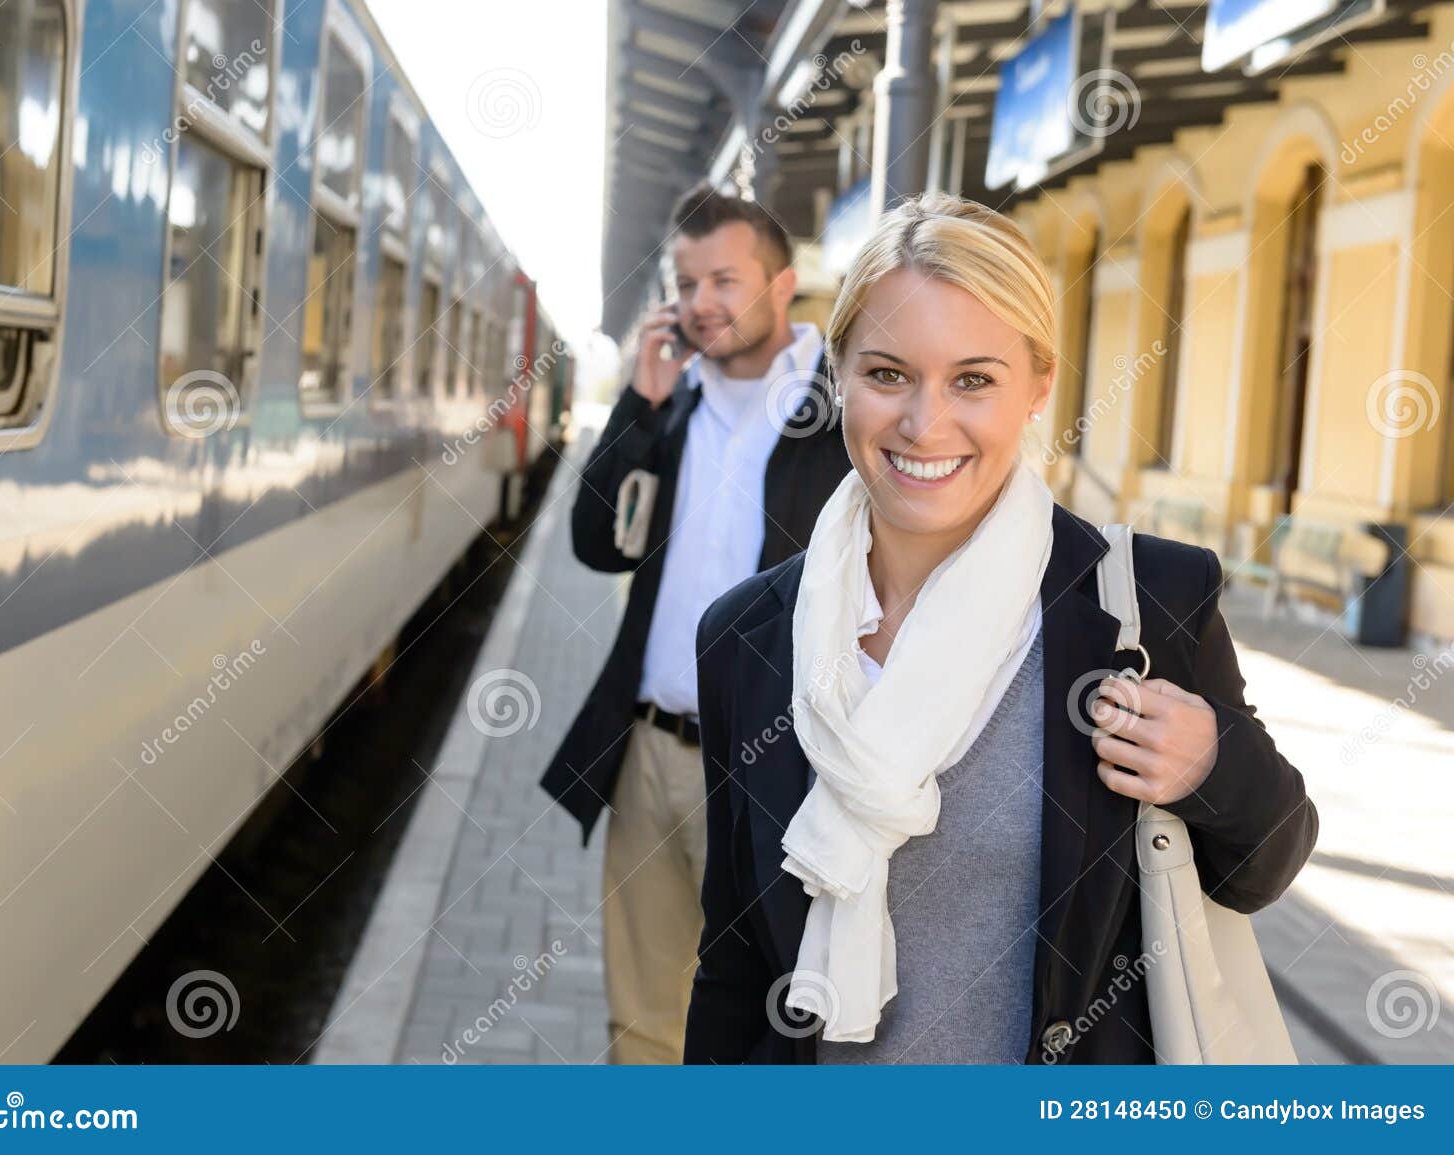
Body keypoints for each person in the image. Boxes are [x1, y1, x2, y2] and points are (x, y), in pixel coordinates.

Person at [683, 192, 1319, 1064]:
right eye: (887, 373)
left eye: (973, 379)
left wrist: (1211, 762)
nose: (924, 423)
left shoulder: (1146, 602)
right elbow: (731, 960)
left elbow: (1265, 863)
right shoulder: (746, 635)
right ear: (837, 373)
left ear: (1040, 385)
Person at [539, 184, 850, 1064]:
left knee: (758, 1019)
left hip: (773, 763)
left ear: (783, 283)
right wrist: (636, 405)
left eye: (725, 278)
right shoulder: (669, 405)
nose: (702, 301)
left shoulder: (838, 408)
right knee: (640, 1022)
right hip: (649, 754)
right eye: (686, 281)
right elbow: (596, 542)